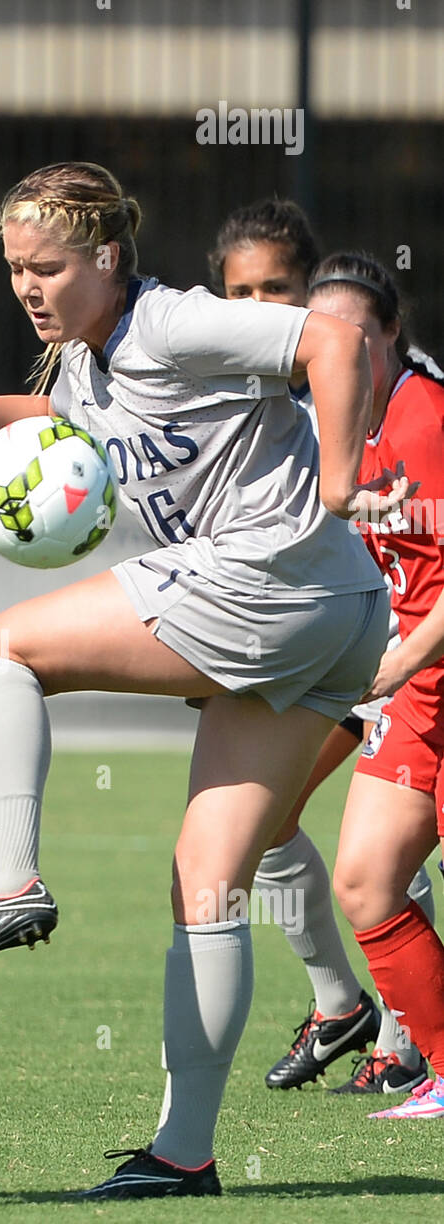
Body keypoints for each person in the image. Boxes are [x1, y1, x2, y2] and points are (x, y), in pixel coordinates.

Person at [0, 160, 410, 1200]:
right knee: (208, 878)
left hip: (270, 578)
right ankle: (184, 1154)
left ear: (109, 256)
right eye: (14, 271)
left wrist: (344, 469)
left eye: (47, 268)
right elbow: (77, 428)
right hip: (340, 614)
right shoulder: (82, 367)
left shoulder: (172, 323)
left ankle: (9, 882)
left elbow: (338, 337)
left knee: (0, 648)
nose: (28, 289)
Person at [211, 200, 433, 1096]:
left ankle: (406, 1033)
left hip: (398, 653)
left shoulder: (404, 402)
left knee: (387, 849)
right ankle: (342, 1001)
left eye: (279, 289)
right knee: (261, 819)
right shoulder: (265, 397)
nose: (263, 309)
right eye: (243, 293)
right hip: (349, 647)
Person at [317, 252, 444, 1119]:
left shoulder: (424, 418)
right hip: (417, 687)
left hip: (423, 669)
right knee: (364, 880)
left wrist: (397, 662)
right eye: (327, 339)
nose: (345, 353)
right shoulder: (338, 429)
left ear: (393, 335)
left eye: (360, 336)